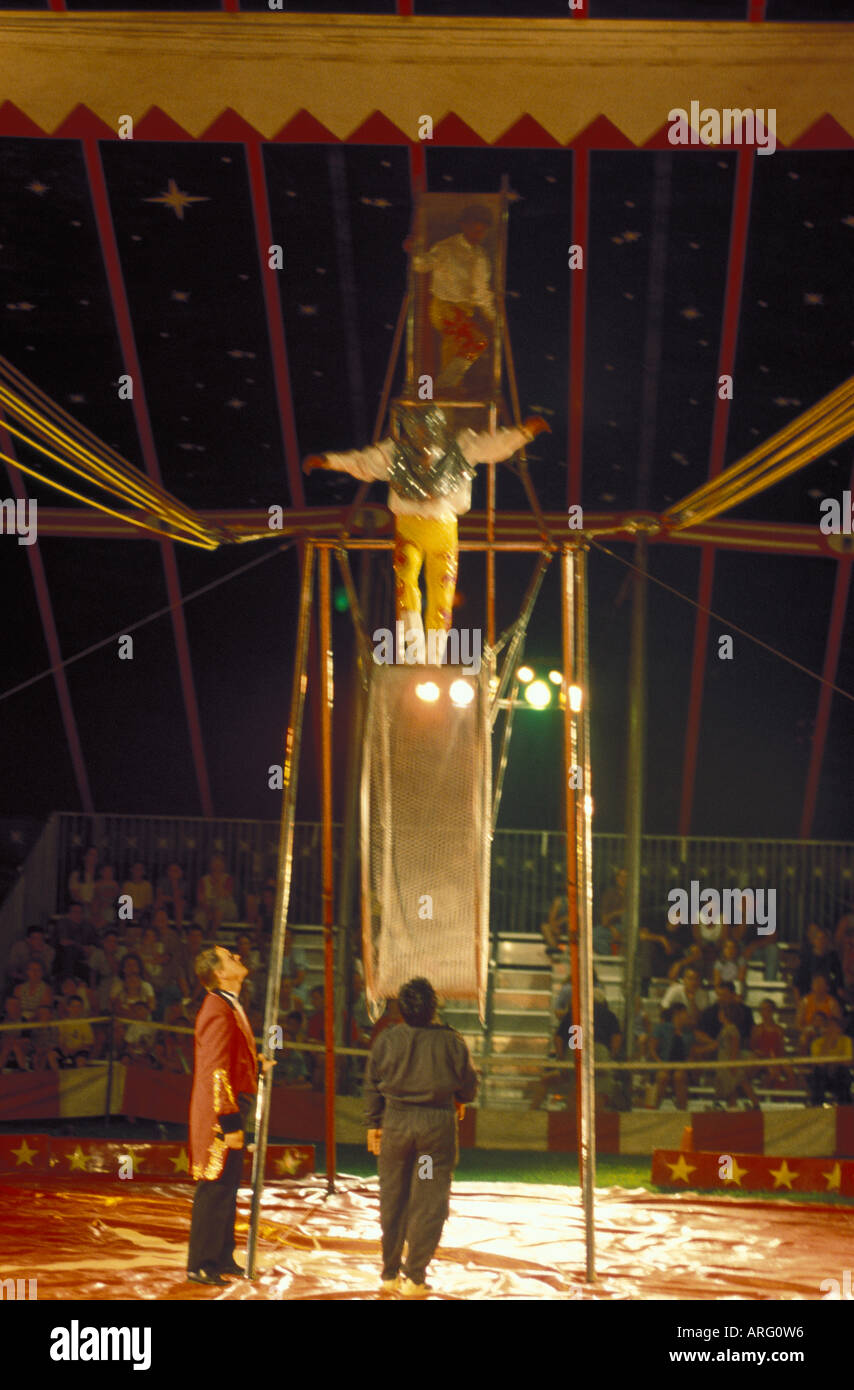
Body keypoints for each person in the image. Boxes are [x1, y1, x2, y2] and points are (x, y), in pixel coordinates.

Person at [304, 406, 548, 656]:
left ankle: (433, 656)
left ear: (438, 429)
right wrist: (328, 461)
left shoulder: (461, 448)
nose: (422, 435)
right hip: (409, 529)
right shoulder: (396, 453)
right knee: (406, 577)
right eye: (417, 430)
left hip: (443, 530)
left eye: (427, 429)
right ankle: (416, 650)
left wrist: (525, 432)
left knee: (442, 595)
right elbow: (363, 462)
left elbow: (494, 446)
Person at [364, 976, 478, 1297]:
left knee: (393, 1197)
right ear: (433, 1008)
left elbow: (371, 1082)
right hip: (432, 1131)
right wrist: (459, 1099)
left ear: (401, 1007)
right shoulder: (451, 1041)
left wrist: (374, 1123)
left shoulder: (387, 1039)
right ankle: (414, 1275)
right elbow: (468, 1085)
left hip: (396, 1127)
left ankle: (389, 1273)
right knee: (427, 1200)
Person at [186, 945, 273, 1286]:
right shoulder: (216, 1009)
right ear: (220, 973)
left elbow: (231, 1059)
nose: (238, 957)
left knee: (228, 1186)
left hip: (233, 1103)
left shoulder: (229, 1004)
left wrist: (256, 1064)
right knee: (215, 1187)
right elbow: (215, 1070)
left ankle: (222, 1254)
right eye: (229, 957)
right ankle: (201, 1263)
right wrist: (229, 1122)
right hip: (220, 1111)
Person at [408, 205, 496, 390]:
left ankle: (451, 388)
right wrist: (413, 251)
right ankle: (445, 386)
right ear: (464, 226)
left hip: (464, 310)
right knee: (476, 341)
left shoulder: (481, 256)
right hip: (444, 307)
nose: (478, 233)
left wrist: (492, 317)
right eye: (475, 228)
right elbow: (422, 264)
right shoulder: (446, 248)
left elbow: (481, 291)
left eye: (482, 230)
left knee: (454, 349)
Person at [808, 1012, 853, 1106]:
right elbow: (818, 1063)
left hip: (839, 1076)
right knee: (818, 1073)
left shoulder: (846, 1041)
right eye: (828, 1027)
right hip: (823, 1076)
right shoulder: (816, 1043)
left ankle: (844, 1107)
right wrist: (827, 1044)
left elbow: (848, 1062)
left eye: (834, 1027)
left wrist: (833, 1064)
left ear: (840, 1029)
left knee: (843, 1072)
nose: (831, 1030)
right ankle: (817, 1106)